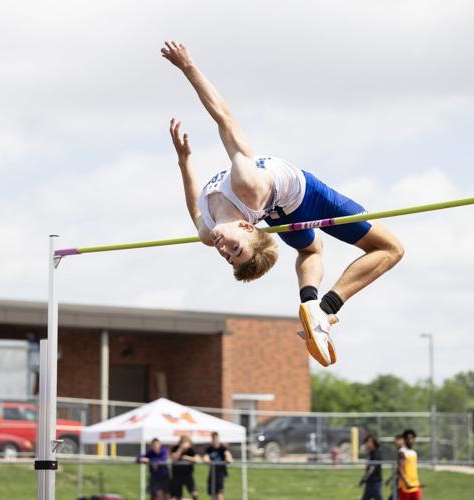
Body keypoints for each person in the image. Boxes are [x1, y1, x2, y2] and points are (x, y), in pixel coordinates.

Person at [161, 41, 405, 367]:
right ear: (248, 227)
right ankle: (325, 310)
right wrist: (189, 68)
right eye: (235, 250)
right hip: (304, 196)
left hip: (279, 211)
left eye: (228, 257)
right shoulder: (246, 184)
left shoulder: (207, 233)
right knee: (390, 249)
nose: (223, 250)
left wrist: (184, 161)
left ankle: (314, 306)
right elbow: (224, 118)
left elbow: (194, 208)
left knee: (311, 250)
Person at [203, 432, 232, 500]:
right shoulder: (209, 449)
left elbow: (228, 456)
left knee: (219, 493)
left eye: (216, 438)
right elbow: (206, 458)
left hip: (220, 473)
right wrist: (207, 460)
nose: (215, 440)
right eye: (213, 438)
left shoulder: (222, 448)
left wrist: (228, 458)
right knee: (213, 493)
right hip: (212, 472)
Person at [170, 435, 199, 500]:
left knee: (194, 494)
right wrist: (181, 449)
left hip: (188, 475)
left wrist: (186, 457)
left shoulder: (190, 450)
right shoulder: (175, 448)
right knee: (176, 497)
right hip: (177, 476)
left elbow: (197, 459)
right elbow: (174, 458)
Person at [397, 429, 422, 500]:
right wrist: (406, 482)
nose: (411, 440)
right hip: (405, 485)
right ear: (404, 439)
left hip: (415, 484)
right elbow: (400, 469)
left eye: (412, 438)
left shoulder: (414, 453)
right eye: (409, 438)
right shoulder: (402, 452)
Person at [359, 435, 382, 500]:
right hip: (369, 482)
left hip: (375, 482)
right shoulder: (370, 453)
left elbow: (372, 468)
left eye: (367, 442)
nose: (366, 444)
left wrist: (364, 478)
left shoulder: (376, 453)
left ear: (372, 443)